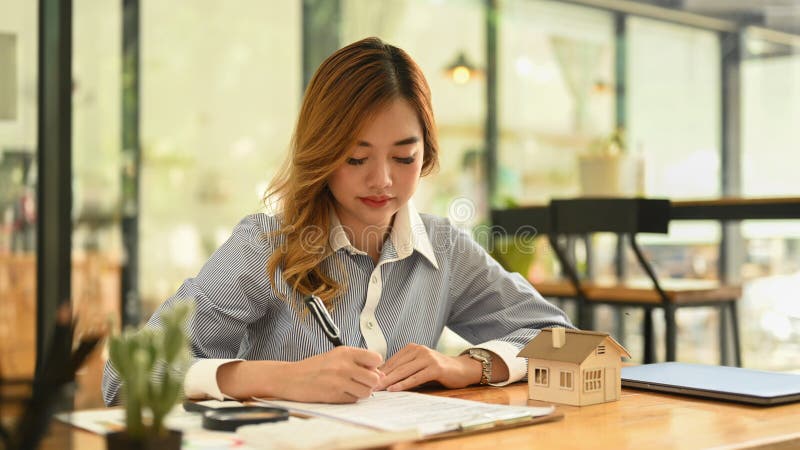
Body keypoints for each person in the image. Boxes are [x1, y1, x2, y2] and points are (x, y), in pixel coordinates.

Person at [102, 37, 573, 406]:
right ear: (322, 152)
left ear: (426, 152)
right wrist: (278, 377)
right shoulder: (264, 246)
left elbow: (562, 338)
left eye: (404, 157)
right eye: (355, 158)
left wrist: (470, 366)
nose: (382, 180)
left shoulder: (445, 249)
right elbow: (124, 375)